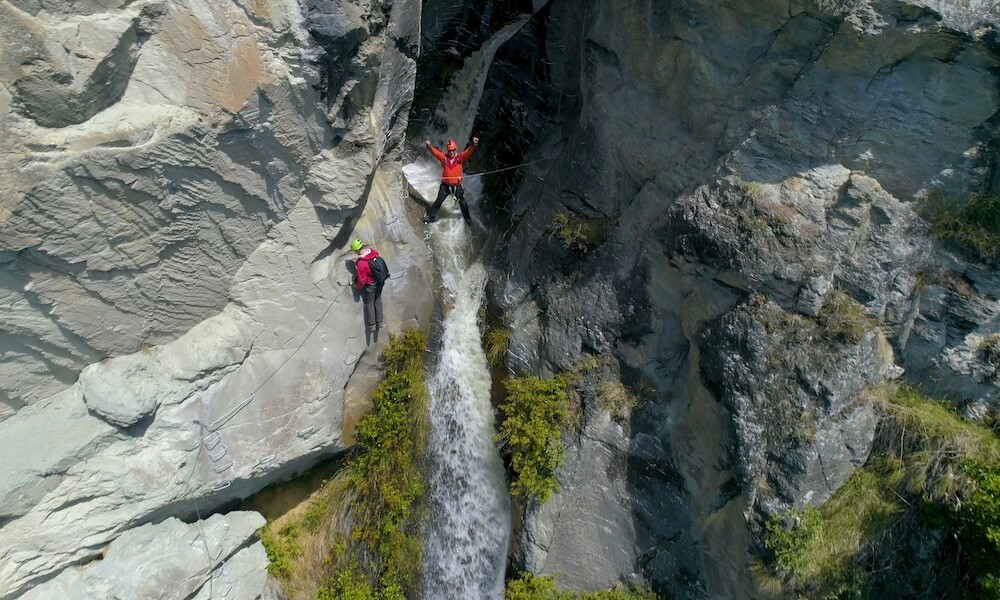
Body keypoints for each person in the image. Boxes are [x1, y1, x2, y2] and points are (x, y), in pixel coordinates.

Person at [423, 136, 479, 224]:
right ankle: (431, 217)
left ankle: (468, 220)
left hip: (457, 186)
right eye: (449, 151)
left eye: (453, 150)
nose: (451, 152)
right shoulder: (444, 158)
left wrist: (474, 145)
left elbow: (468, 152)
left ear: (455, 150)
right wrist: (429, 146)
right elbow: (436, 153)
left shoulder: (460, 158)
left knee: (463, 203)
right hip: (445, 186)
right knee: (438, 201)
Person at [351, 239, 383, 333]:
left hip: (370, 285)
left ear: (356, 250)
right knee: (378, 300)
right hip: (379, 281)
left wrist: (357, 287)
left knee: (370, 303)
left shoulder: (361, 263)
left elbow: (362, 280)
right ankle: (380, 322)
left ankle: (372, 325)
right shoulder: (373, 252)